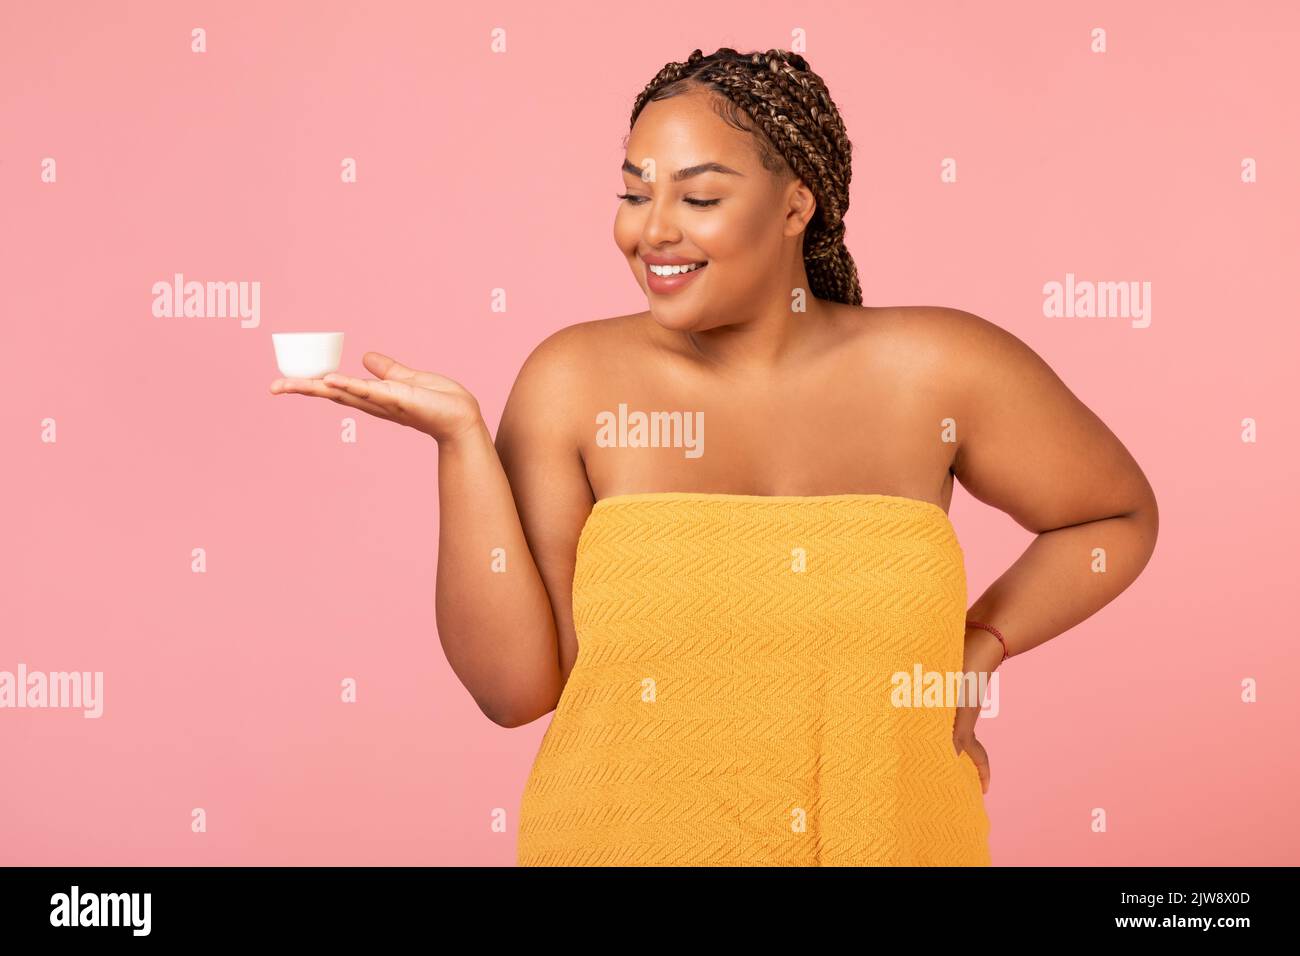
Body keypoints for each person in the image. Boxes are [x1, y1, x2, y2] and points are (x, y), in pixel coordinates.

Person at [270, 47, 1159, 866]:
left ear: (794, 206)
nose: (651, 231)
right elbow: (515, 691)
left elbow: (1114, 516)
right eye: (632, 194)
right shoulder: (572, 382)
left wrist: (978, 642)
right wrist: (460, 443)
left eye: (698, 198)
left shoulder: (941, 367)